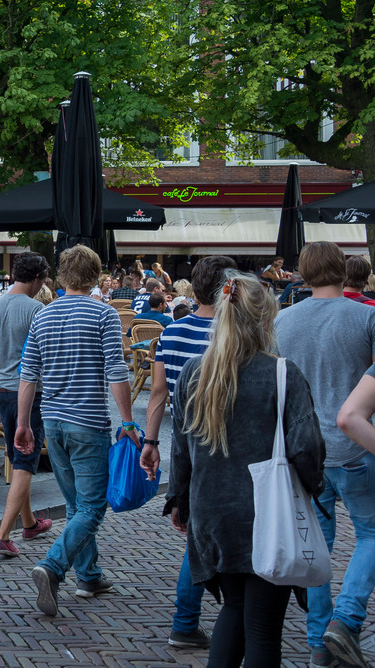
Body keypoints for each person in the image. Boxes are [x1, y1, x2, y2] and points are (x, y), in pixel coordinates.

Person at [167, 272, 325, 668]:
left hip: (212, 513)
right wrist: (313, 488)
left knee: (235, 611)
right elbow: (307, 447)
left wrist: (179, 501)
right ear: (265, 320)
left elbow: (181, 449)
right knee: (264, 630)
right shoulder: (281, 373)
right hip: (267, 513)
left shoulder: (193, 373)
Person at [274, 241, 375, 667]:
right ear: (343, 270)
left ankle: (319, 642)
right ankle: (347, 620)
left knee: (316, 548)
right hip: (356, 448)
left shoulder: (282, 320)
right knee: (373, 535)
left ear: (301, 272)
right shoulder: (369, 316)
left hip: (305, 452)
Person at [16, 244, 138, 616]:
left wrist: (23, 424)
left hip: (52, 421)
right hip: (86, 421)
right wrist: (129, 421)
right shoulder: (103, 314)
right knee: (93, 506)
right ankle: (53, 568)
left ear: (62, 275)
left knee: (75, 504)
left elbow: (28, 375)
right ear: (96, 274)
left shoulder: (44, 315)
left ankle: (89, 574)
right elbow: (116, 371)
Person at [136, 254, 236, 649]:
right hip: (225, 438)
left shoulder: (173, 332)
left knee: (196, 530)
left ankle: (186, 618)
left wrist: (151, 441)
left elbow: (158, 393)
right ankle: (207, 615)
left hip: (184, 437)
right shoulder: (232, 335)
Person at [0, 251, 52, 558]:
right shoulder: (37, 309)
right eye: (43, 280)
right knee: (25, 463)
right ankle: (4, 535)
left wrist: (7, 359)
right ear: (37, 278)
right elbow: (46, 355)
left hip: (1, 390)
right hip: (28, 391)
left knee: (16, 456)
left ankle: (30, 522)